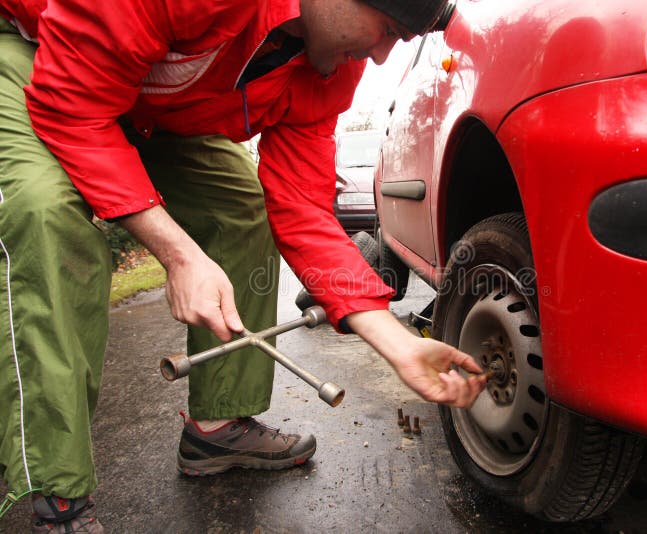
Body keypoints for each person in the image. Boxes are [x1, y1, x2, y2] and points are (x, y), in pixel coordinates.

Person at [0, 0, 486, 531]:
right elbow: (72, 106)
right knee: (46, 212)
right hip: (42, 54)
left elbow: (301, 207)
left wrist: (400, 345)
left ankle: (217, 426)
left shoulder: (330, 68)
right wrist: (179, 254)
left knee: (242, 207)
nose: (378, 56)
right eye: (387, 30)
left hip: (152, 106)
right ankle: (57, 491)